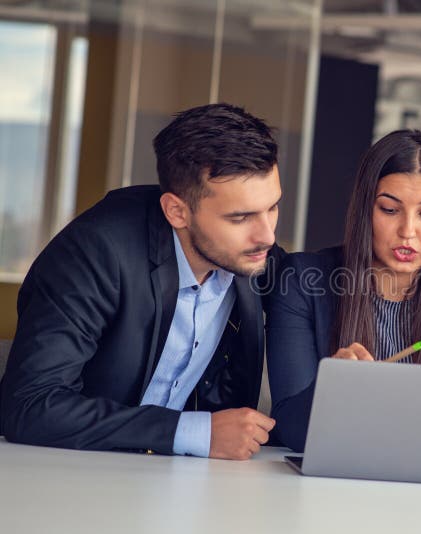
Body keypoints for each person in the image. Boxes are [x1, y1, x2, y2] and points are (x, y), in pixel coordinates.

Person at [0, 103, 284, 460]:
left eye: (272, 207)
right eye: (241, 217)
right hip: (71, 475)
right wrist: (194, 432)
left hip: (189, 486)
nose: (268, 235)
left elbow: (322, 288)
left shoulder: (252, 255)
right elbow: (30, 406)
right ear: (177, 211)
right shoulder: (95, 253)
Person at [265, 129, 421, 451]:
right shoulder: (303, 280)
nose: (407, 231)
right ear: (365, 208)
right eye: (389, 210)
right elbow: (290, 430)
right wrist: (334, 386)